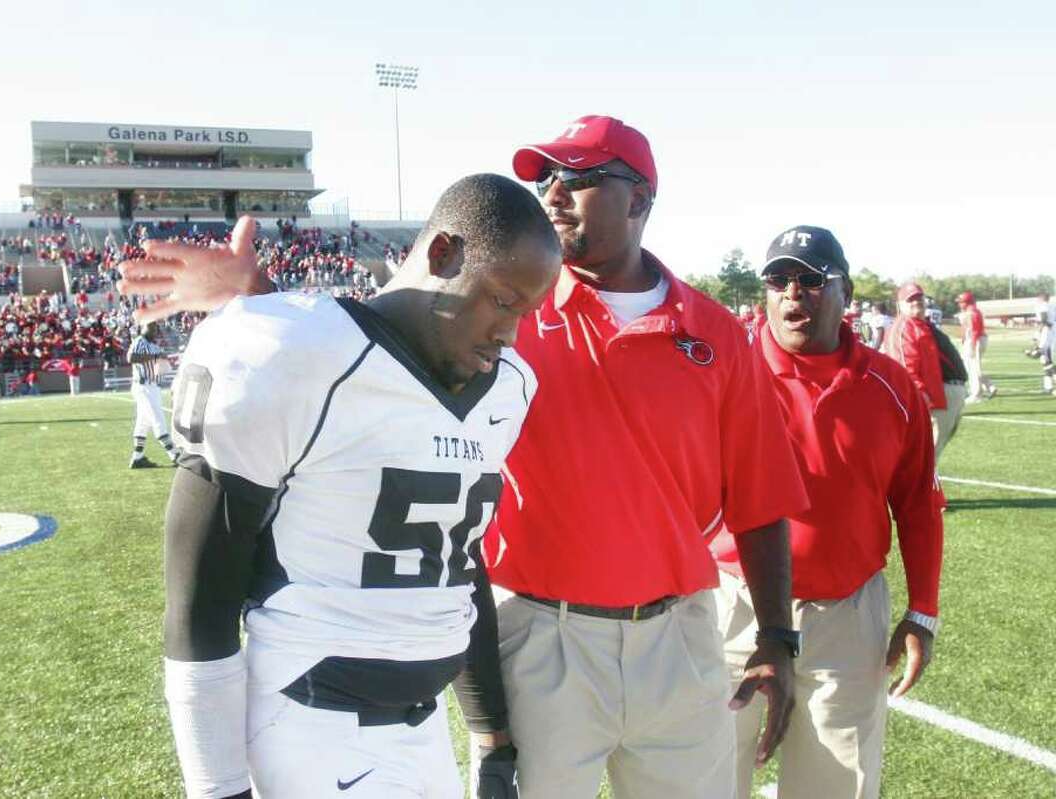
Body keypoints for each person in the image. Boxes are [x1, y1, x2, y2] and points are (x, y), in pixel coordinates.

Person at [120, 117, 808, 799]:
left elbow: (757, 493)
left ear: (640, 199)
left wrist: (776, 631)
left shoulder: (693, 335)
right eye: (545, 178)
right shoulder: (494, 304)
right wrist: (261, 301)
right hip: (486, 648)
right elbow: (374, 347)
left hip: (650, 641)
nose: (555, 191)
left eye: (581, 177)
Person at [134, 175, 562, 798]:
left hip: (424, 730)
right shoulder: (282, 351)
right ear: (442, 254)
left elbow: (455, 563)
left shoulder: (507, 387)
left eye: (525, 312)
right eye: (501, 301)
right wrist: (217, 788)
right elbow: (199, 604)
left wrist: (489, 728)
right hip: (309, 725)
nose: (510, 333)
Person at [713, 226, 944, 799]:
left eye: (813, 279)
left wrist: (923, 611)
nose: (795, 293)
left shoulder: (891, 387)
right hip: (730, 604)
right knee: (704, 777)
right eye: (779, 279)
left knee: (837, 785)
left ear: (845, 292)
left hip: (844, 612)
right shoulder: (725, 373)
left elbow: (918, 502)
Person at [888, 283, 968, 460]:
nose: (916, 302)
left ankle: (927, 485)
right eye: (910, 300)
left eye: (919, 298)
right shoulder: (904, 327)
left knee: (932, 454)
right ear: (900, 305)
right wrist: (922, 398)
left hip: (946, 395)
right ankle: (923, 487)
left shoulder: (921, 324)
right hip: (934, 399)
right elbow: (905, 368)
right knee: (925, 458)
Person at [126, 323, 179, 469]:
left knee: (143, 424)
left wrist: (165, 360)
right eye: (151, 327)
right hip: (144, 386)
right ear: (143, 328)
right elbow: (130, 357)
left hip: (152, 386)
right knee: (158, 420)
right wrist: (156, 356)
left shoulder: (154, 345)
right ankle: (174, 455)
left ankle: (137, 458)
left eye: (156, 328)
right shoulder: (140, 341)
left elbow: (160, 366)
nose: (155, 331)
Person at [956, 291, 996, 401]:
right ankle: (989, 386)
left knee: (973, 367)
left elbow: (974, 330)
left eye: (961, 302)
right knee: (973, 367)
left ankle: (977, 394)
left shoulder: (971, 312)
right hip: (976, 339)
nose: (959, 304)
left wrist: (972, 345)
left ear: (966, 302)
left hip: (976, 339)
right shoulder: (972, 311)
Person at [1035, 291, 1054, 394]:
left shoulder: (1043, 306)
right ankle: (1048, 386)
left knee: (1044, 358)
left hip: (1046, 333)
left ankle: (1049, 384)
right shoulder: (1052, 306)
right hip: (1051, 334)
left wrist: (1037, 333)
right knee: (1045, 360)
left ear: (1041, 298)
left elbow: (1044, 320)